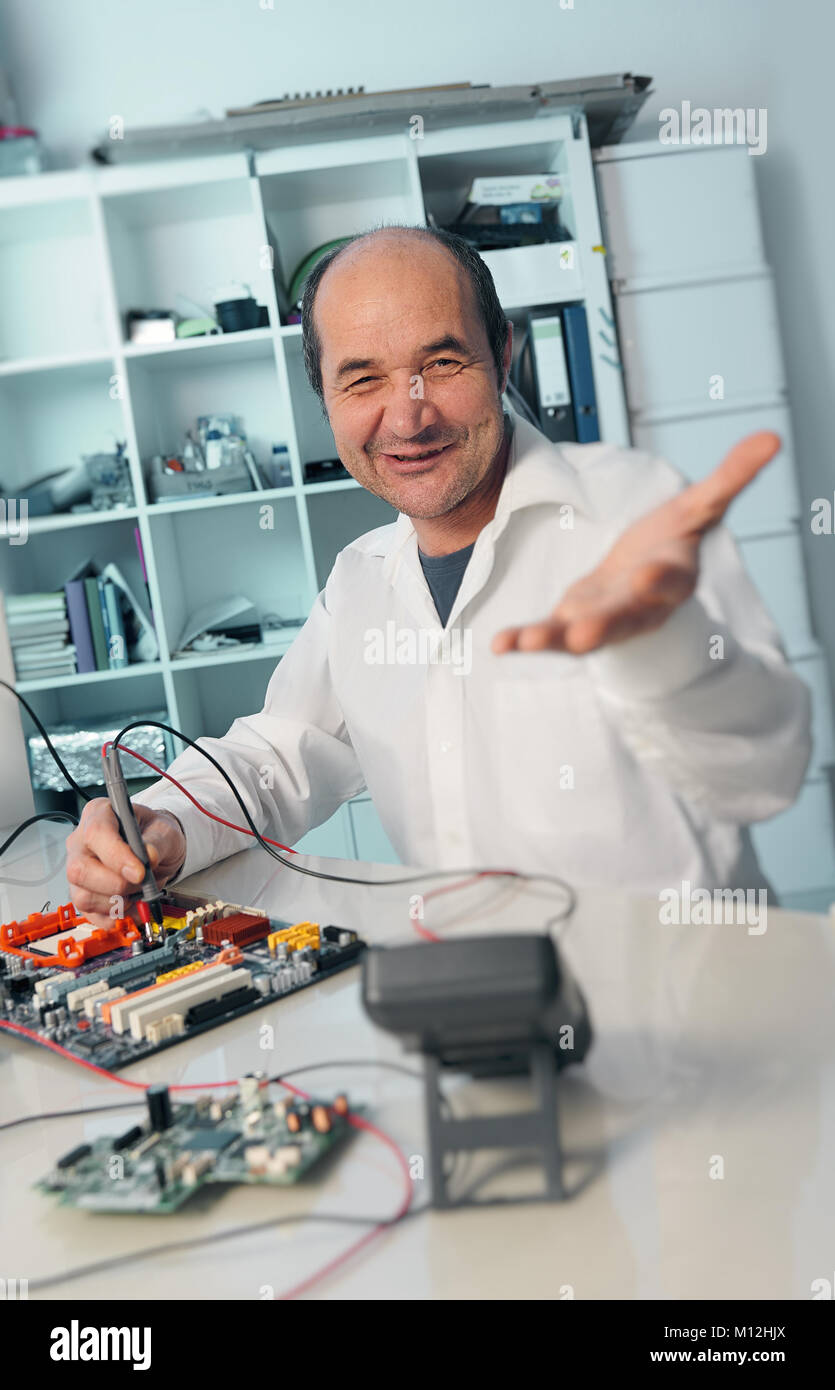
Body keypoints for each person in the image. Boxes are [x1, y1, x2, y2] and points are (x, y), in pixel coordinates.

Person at [66, 226, 811, 927]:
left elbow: (765, 777)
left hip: (683, 1015)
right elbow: (279, 751)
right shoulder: (361, 581)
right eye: (361, 379)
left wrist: (663, 645)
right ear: (323, 397)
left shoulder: (629, 510)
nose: (407, 416)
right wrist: (165, 822)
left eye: (442, 364)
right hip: (477, 1011)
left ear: (504, 354)